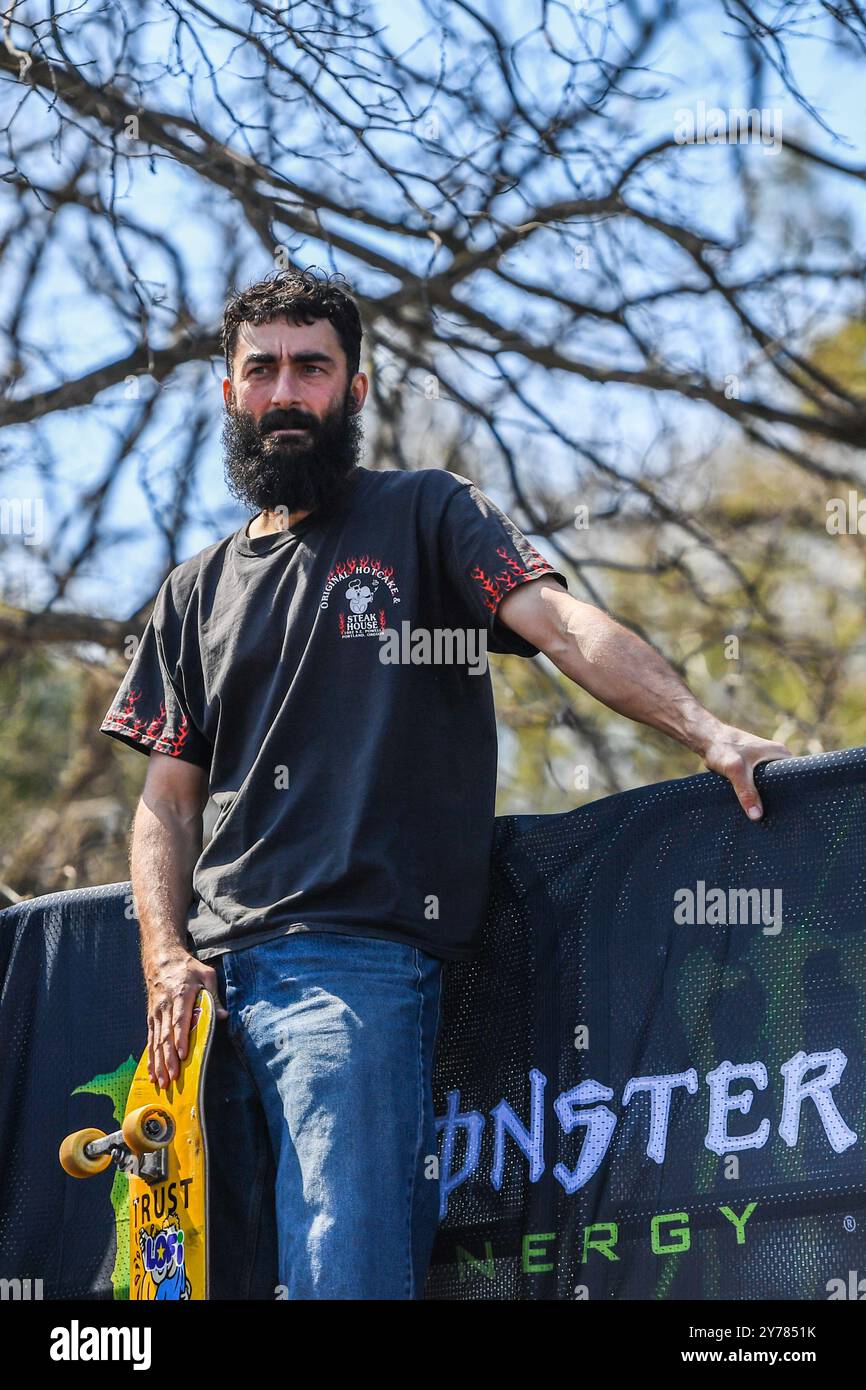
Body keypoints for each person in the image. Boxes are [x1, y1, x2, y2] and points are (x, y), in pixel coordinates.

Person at [100, 266, 794, 1300]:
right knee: (182, 1292)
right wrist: (165, 958)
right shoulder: (191, 588)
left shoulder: (423, 514)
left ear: (358, 389)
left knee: (346, 1277)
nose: (285, 391)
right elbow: (166, 801)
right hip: (196, 1011)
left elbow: (557, 621)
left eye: (312, 368)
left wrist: (703, 728)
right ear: (227, 390)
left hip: (351, 970)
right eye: (262, 369)